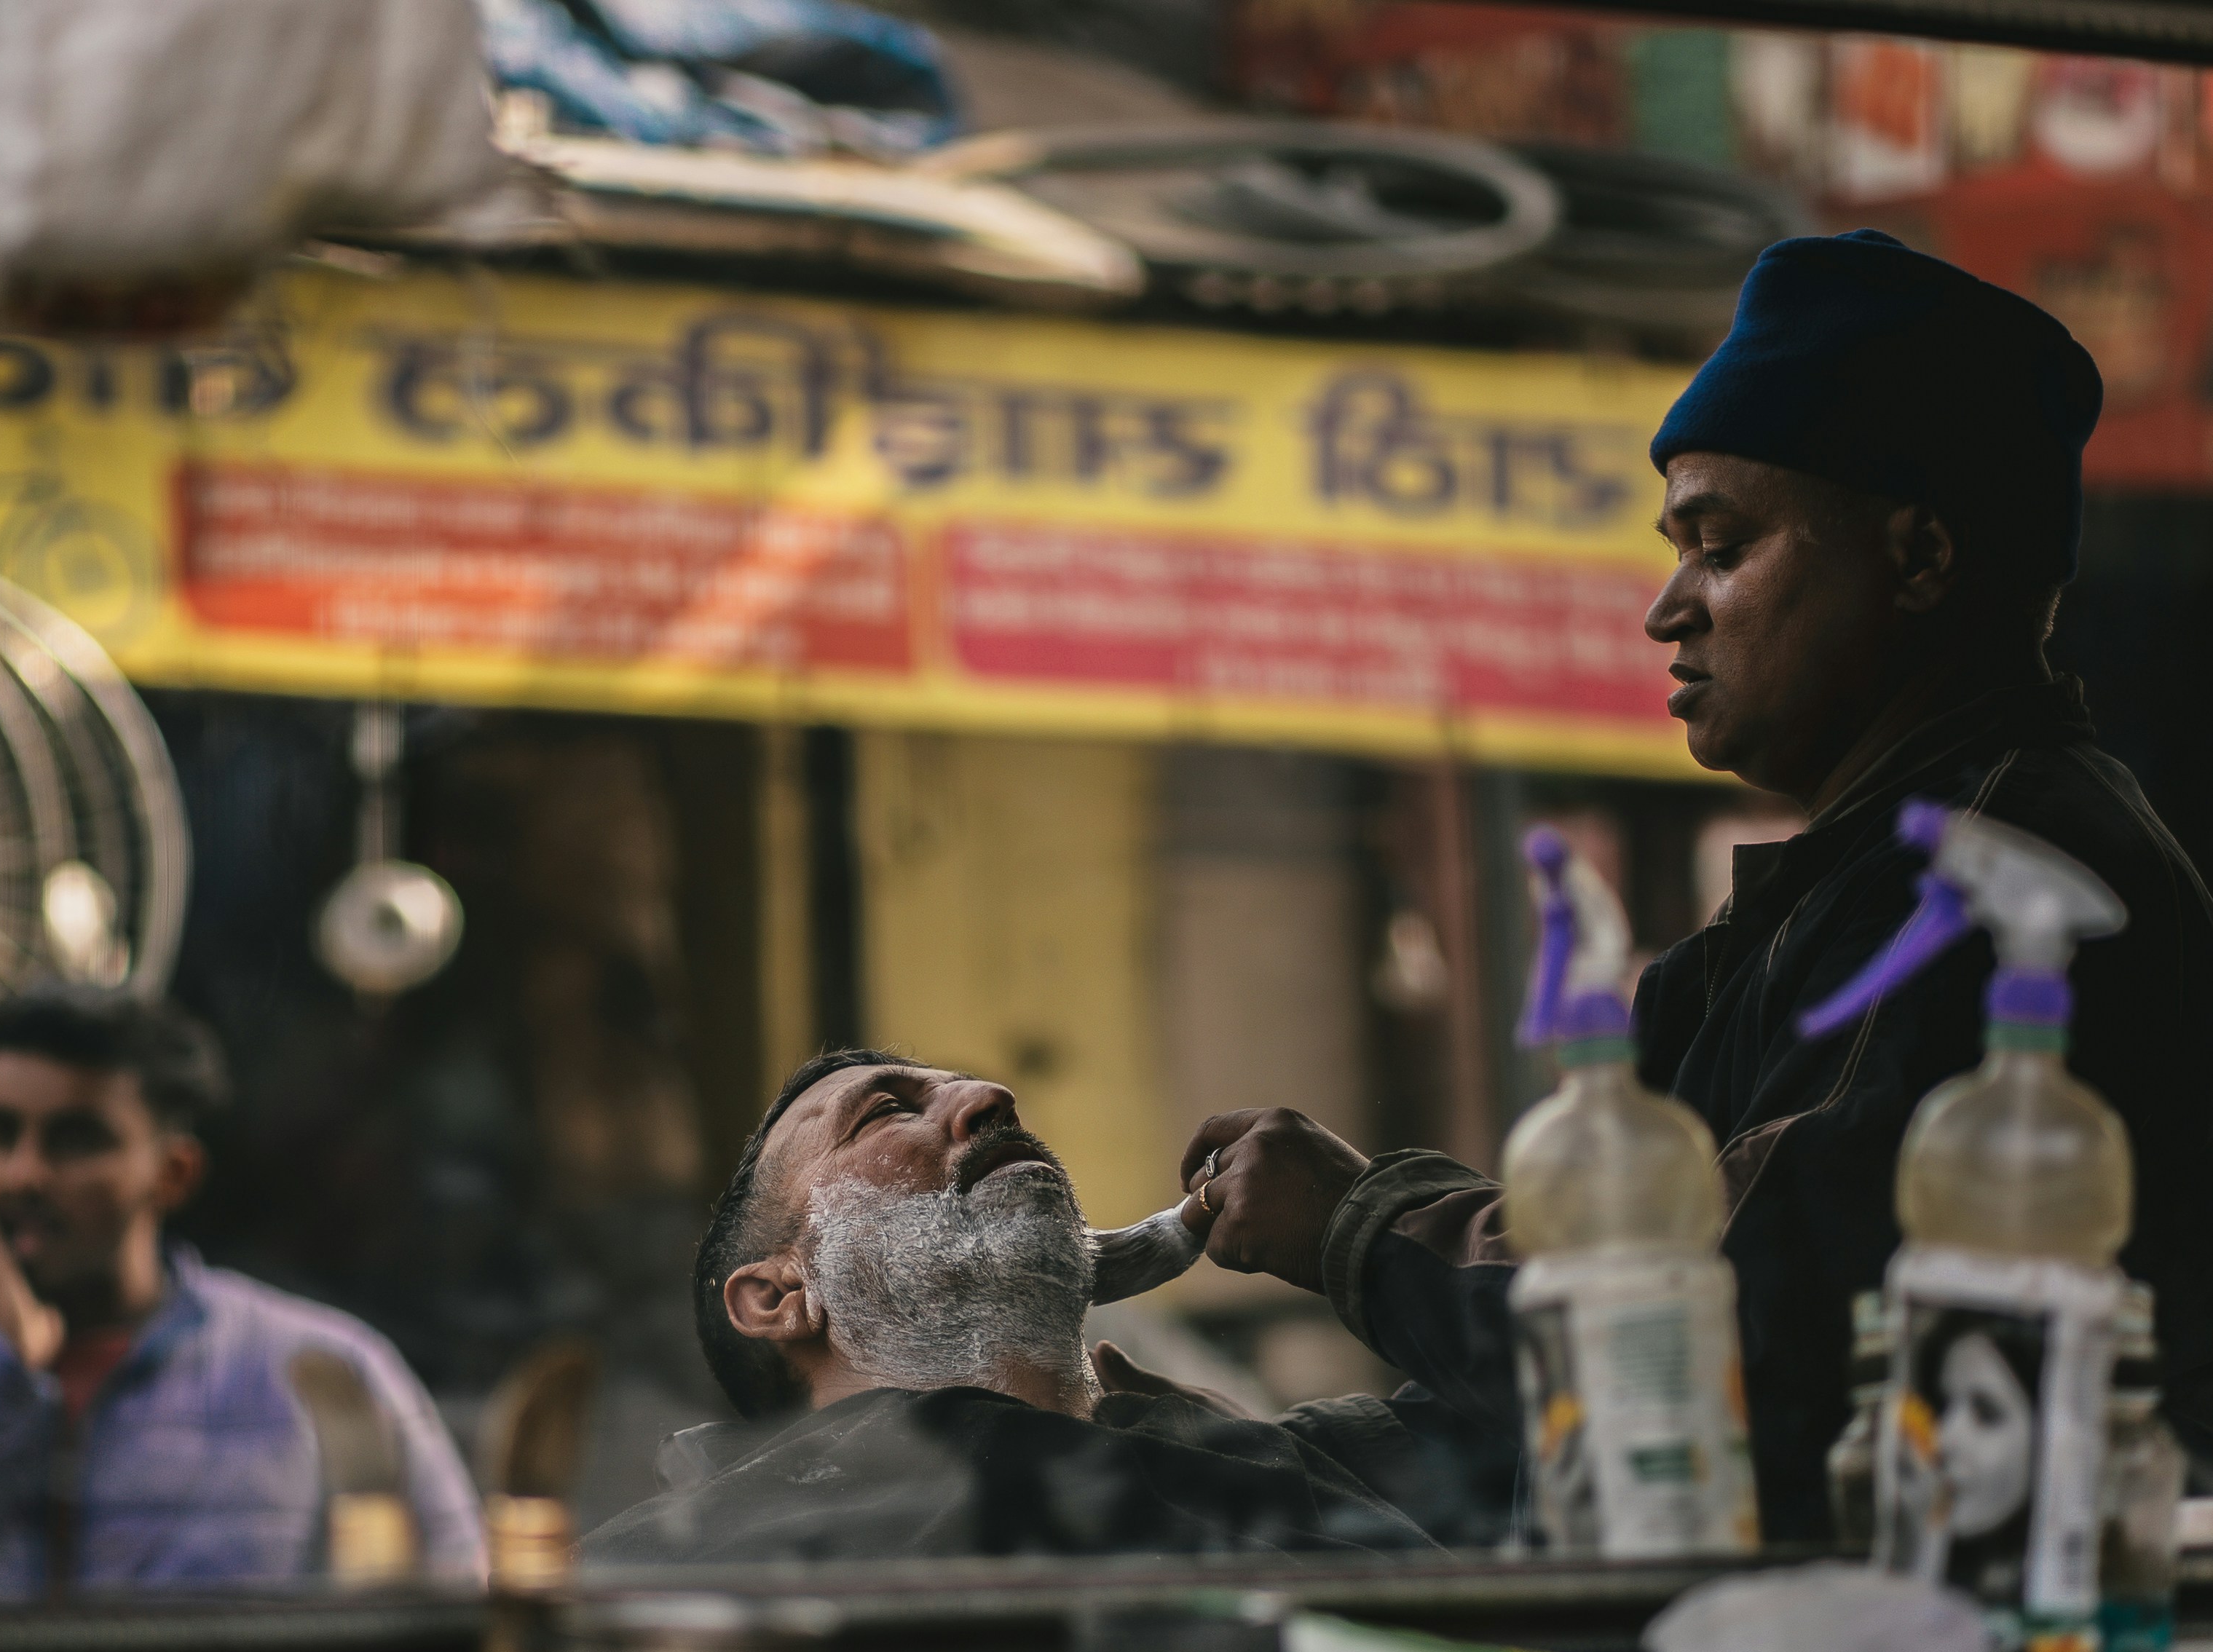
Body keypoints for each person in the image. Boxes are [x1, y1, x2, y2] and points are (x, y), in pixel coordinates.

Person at [1174, 231, 2213, 1544]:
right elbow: (1552, 1400)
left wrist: (1358, 1224)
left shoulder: (1988, 897)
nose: (1668, 609)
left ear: (1918, 558)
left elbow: (1693, 1340)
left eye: (1719, 546)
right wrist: (1198, 1457)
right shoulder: (1829, 895)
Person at [581, 1047, 1443, 1565]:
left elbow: (1568, 1406)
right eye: (886, 1112)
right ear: (777, 1296)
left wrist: (1365, 1224)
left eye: (965, 1086)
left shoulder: (1299, 1462)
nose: (991, 1096)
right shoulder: (665, 1572)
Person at [0, 990, 484, 1594]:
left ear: (171, 1174)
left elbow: (451, 1611)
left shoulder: (324, 1376)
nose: (23, 1173)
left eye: (76, 1139)